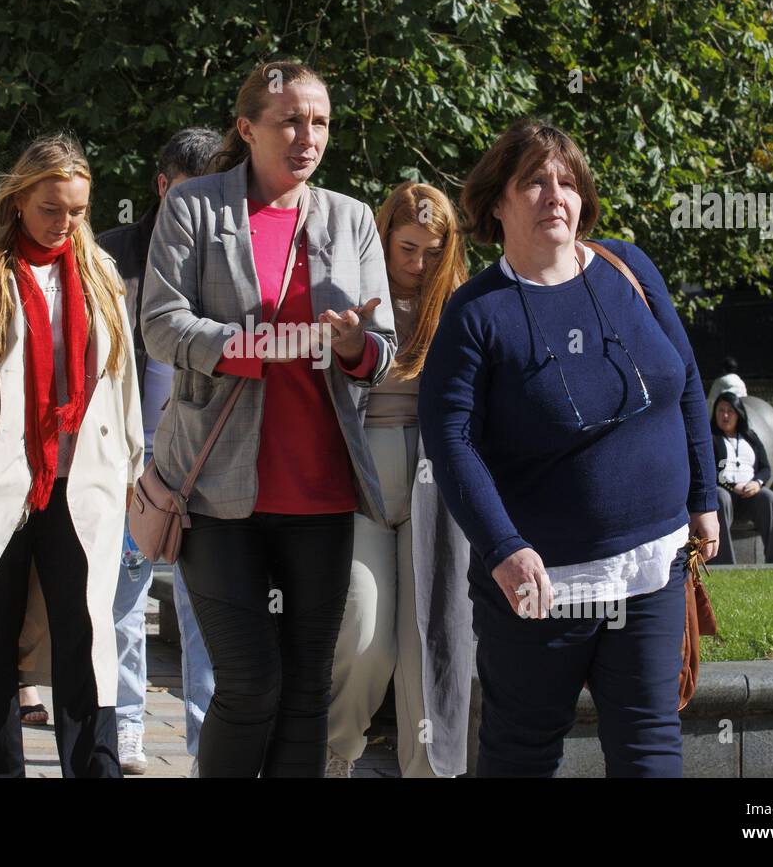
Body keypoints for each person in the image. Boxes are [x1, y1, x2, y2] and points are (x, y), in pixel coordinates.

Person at [419, 118, 720, 778]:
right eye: (534, 182)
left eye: (567, 182)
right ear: (497, 203)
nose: (555, 194)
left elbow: (686, 380)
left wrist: (703, 496)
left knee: (650, 751)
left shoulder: (628, 266)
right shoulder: (474, 315)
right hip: (540, 589)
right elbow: (450, 439)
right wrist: (502, 548)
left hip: (653, 568)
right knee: (522, 756)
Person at [141, 59, 396, 777]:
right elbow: (161, 326)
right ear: (248, 128)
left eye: (318, 121)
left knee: (308, 689)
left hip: (319, 492)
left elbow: (383, 352)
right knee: (251, 683)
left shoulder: (350, 219)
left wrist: (353, 348)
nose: (306, 135)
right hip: (217, 488)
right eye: (289, 120)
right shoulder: (194, 208)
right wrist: (248, 345)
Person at [0, 132, 144, 779]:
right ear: (20, 199)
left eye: (78, 210)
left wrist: (132, 468)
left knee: (86, 635)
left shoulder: (98, 271)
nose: (65, 223)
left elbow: (123, 383)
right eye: (51, 208)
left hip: (82, 480)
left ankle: (97, 768)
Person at [326, 181, 474, 778]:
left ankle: (430, 770)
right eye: (407, 248)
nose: (418, 264)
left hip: (435, 487)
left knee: (429, 648)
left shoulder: (461, 305)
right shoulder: (353, 295)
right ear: (382, 238)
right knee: (366, 640)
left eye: (433, 252)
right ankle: (335, 756)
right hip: (359, 483)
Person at [100, 127, 222, 774]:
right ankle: (125, 726)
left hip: (210, 466)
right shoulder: (113, 258)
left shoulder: (234, 264)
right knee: (122, 601)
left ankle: (208, 745)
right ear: (162, 186)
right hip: (131, 463)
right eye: (187, 192)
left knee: (205, 613)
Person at [710, 391, 773, 564]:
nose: (725, 415)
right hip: (726, 496)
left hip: (749, 495)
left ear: (738, 413)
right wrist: (732, 486)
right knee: (720, 496)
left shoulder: (751, 437)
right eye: (720, 411)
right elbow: (709, 472)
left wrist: (757, 483)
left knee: (768, 497)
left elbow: (765, 467)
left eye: (729, 411)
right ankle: (724, 563)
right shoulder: (711, 439)